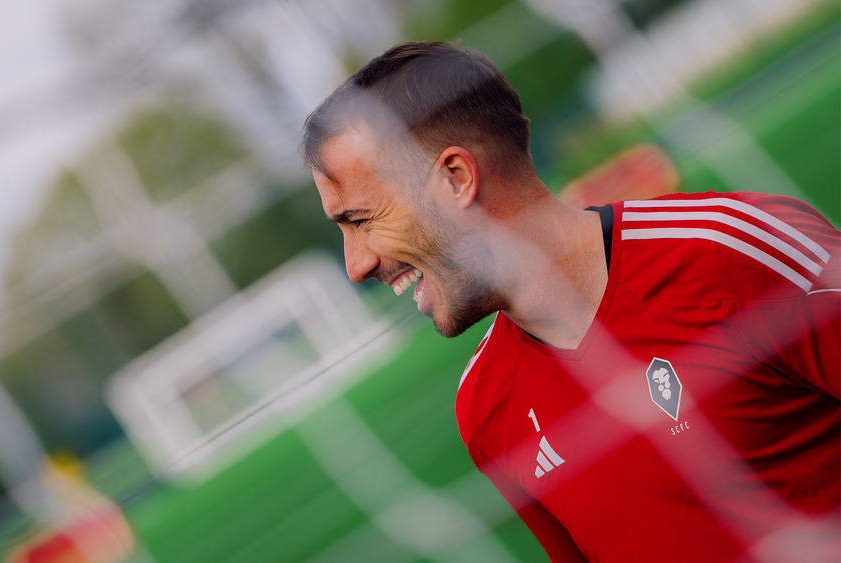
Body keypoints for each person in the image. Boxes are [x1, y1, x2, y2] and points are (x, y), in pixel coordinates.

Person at [300, 41, 840, 562]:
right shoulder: (486, 409)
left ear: (455, 178)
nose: (356, 265)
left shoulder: (732, 248)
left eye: (361, 220)